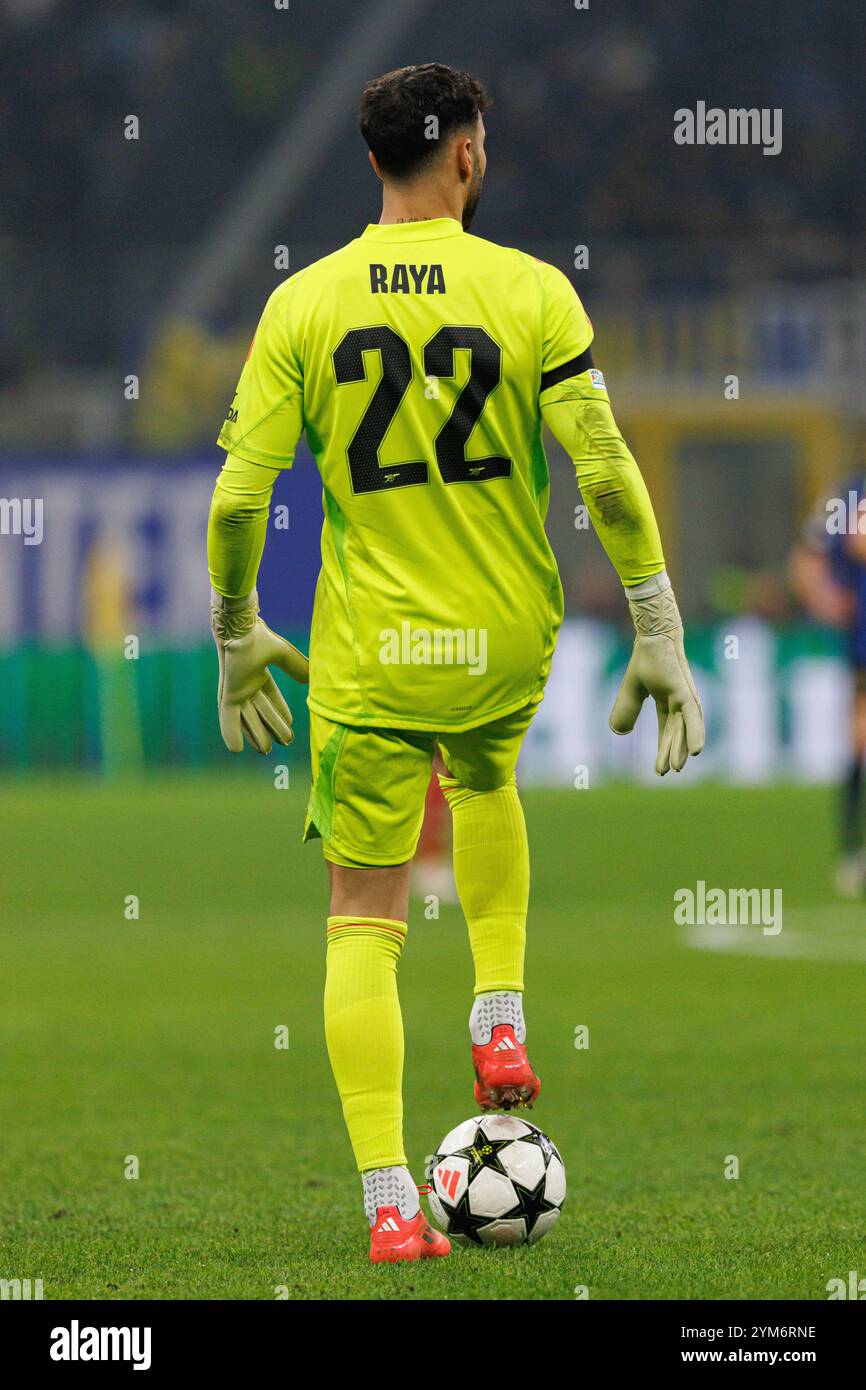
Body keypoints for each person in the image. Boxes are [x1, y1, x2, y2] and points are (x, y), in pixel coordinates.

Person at [206, 63, 704, 1263]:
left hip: (371, 656)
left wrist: (235, 629)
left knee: (362, 919)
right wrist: (657, 628)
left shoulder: (303, 305)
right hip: (501, 640)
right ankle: (497, 1016)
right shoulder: (530, 291)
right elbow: (603, 473)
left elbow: (236, 499)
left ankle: (388, 1204)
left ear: (371, 161)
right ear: (466, 156)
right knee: (485, 786)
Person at [791, 473, 866, 895]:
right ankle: (853, 852)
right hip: (863, 643)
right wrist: (823, 598)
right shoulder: (850, 494)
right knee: (859, 741)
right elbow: (809, 553)